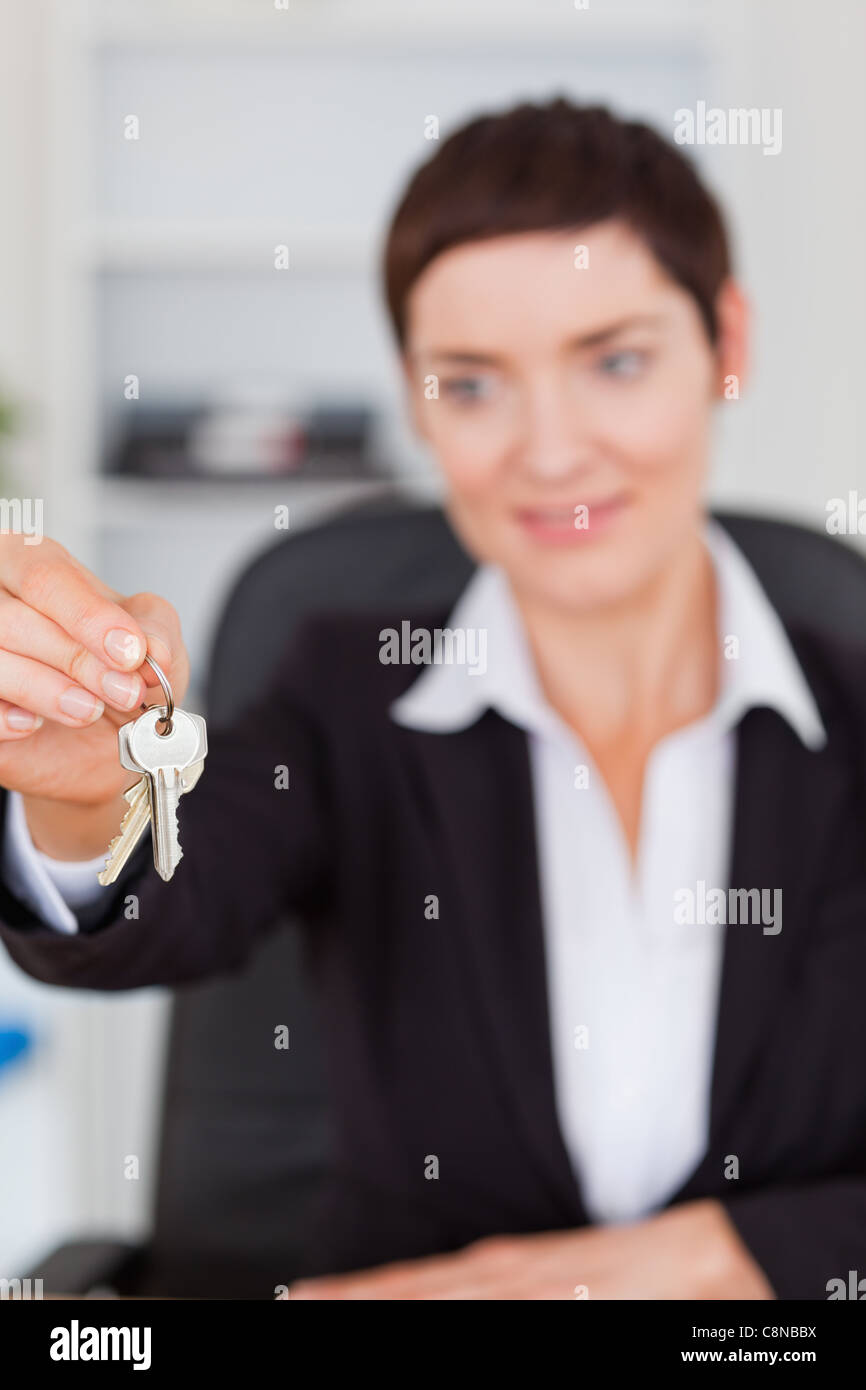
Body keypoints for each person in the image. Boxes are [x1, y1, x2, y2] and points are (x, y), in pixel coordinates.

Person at [1, 98, 864, 1300]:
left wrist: (631, 1274)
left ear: (725, 342)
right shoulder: (344, 691)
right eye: (471, 384)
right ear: (412, 399)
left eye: (613, 360)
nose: (549, 449)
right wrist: (93, 791)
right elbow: (171, 897)